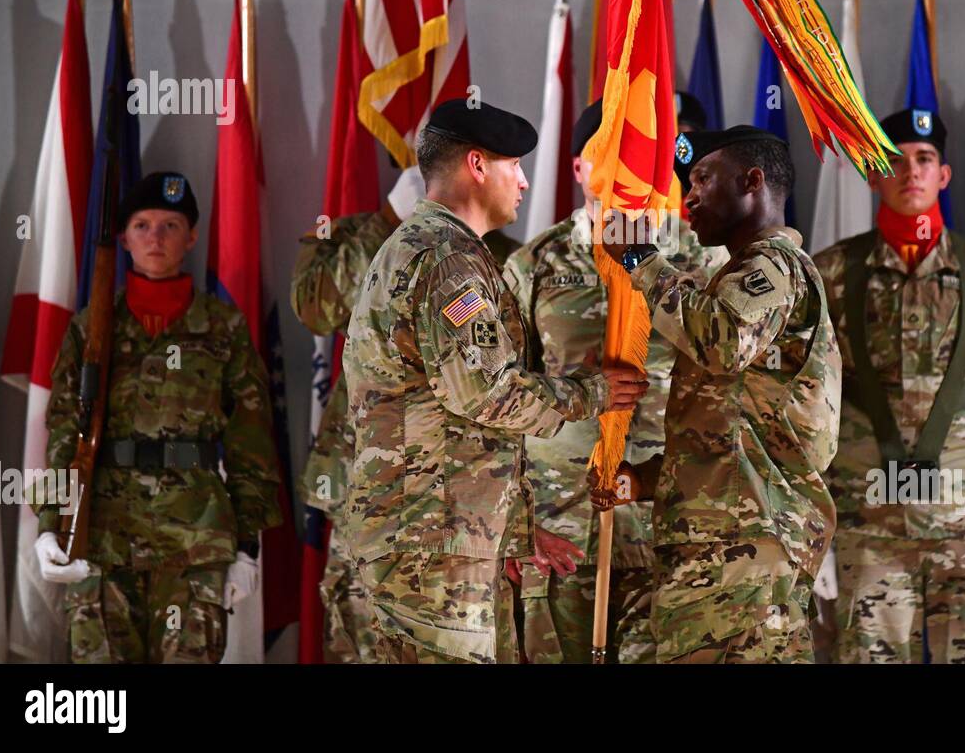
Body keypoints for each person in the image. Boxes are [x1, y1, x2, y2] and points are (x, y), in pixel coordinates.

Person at [342, 98, 648, 664]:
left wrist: (515, 531)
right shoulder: (444, 259)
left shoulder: (438, 250)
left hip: (443, 529)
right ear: (478, 166)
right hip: (430, 540)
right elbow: (485, 392)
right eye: (515, 166)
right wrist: (593, 393)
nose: (526, 183)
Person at [597, 125, 842, 664]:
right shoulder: (732, 277)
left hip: (746, 554)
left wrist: (640, 259)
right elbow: (729, 437)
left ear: (752, 181)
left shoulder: (774, 267)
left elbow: (723, 342)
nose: (689, 195)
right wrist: (644, 478)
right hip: (720, 550)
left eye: (704, 178)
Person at [812, 108, 965, 664]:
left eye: (924, 159)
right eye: (894, 160)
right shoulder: (831, 274)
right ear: (872, 173)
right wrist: (812, 531)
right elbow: (804, 409)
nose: (909, 172)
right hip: (866, 519)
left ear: (944, 175)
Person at [35, 171, 281, 663]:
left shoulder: (223, 328)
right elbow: (66, 429)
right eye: (143, 225)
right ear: (123, 238)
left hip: (196, 538)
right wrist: (49, 523)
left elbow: (250, 440)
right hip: (102, 532)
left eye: (170, 225)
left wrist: (248, 543)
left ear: (191, 238)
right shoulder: (91, 328)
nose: (155, 237)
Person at [503, 102, 719, 663]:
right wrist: (510, 523)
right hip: (560, 523)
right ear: (578, 167)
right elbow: (496, 398)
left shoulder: (696, 258)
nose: (624, 168)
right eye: (607, 153)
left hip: (668, 519)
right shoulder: (535, 265)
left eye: (637, 154)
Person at [290, 166, 426, 663]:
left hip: (458, 492)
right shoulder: (342, 233)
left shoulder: (491, 248)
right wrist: (391, 219)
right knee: (358, 640)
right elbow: (317, 308)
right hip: (362, 482)